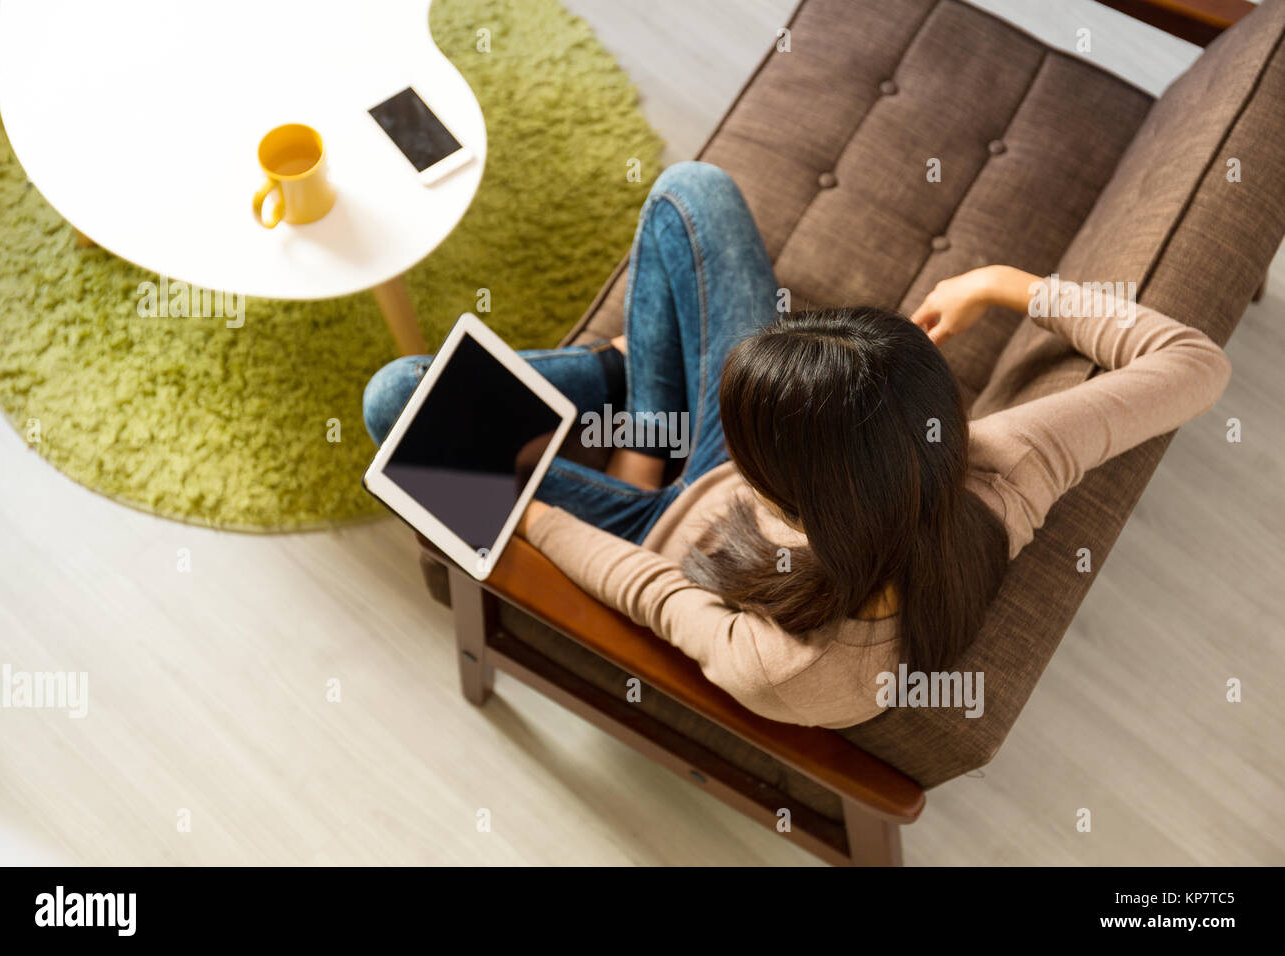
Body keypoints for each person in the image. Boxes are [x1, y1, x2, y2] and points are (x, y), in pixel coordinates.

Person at [362, 161, 1231, 728]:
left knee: (400, 399)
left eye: (758, 453)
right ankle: (641, 429)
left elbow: (656, 594)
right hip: (718, 465)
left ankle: (629, 398)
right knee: (689, 192)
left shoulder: (801, 669)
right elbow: (1195, 364)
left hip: (656, 540)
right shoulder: (997, 464)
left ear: (784, 492)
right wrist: (1003, 285)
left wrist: (535, 523)